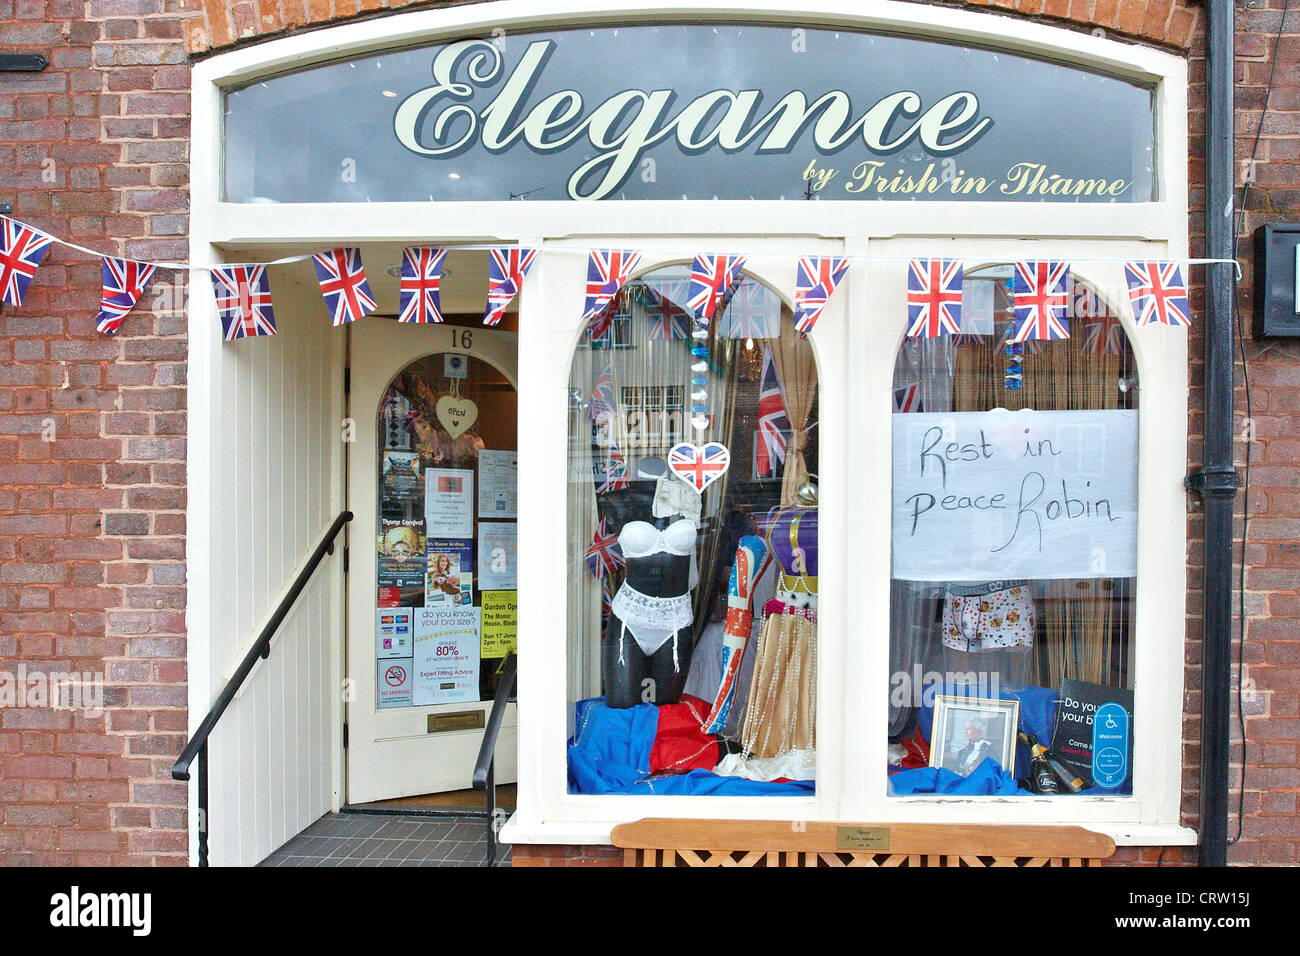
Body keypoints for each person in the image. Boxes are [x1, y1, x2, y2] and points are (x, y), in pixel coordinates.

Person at [599, 457, 701, 709]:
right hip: (630, 616)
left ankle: (658, 751)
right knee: (622, 709)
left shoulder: (686, 498)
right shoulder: (618, 501)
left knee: (667, 711)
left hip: (676, 617)